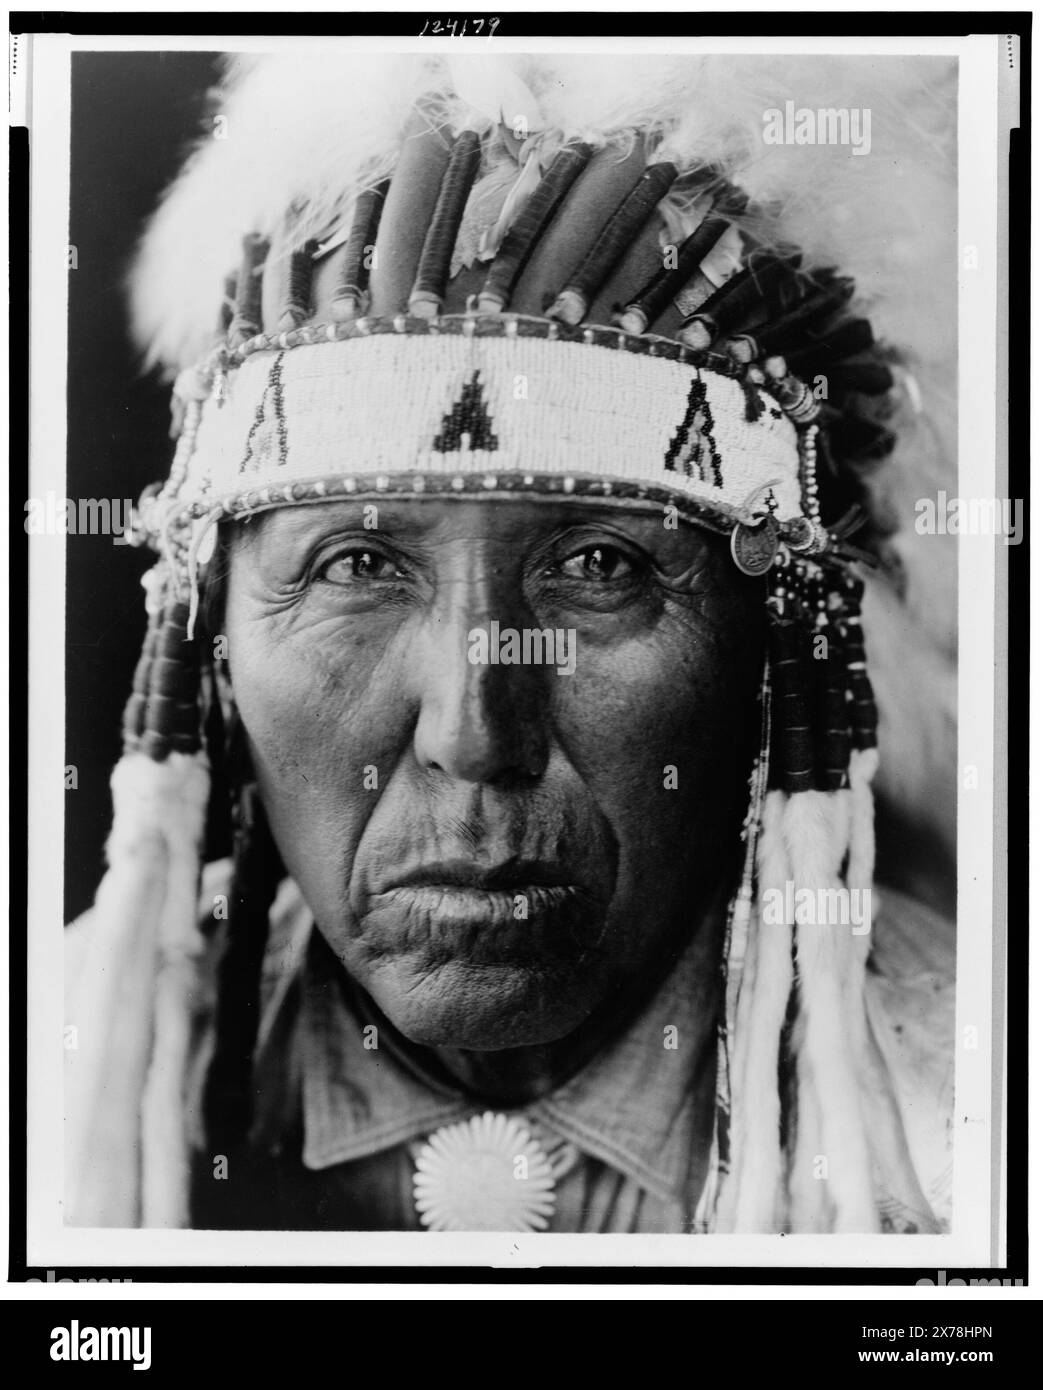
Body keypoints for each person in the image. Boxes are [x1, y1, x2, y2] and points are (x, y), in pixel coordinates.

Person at [64, 51, 956, 1235]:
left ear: (777, 649)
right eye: (357, 567)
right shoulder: (51, 1092)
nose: (474, 733)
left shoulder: (978, 1133)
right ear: (208, 644)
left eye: (600, 567)